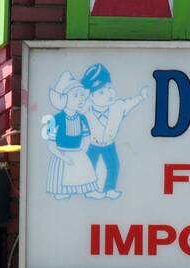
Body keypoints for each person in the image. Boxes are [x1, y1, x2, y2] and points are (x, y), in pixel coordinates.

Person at [80, 63, 149, 200]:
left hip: (109, 144)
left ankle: (110, 189)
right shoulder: (85, 112)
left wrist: (141, 96)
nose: (109, 93)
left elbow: (131, 102)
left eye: (109, 88)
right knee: (90, 166)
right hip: (92, 144)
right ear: (91, 97)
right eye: (101, 92)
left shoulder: (118, 107)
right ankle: (89, 189)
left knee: (113, 165)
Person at [43, 72, 97, 200]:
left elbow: (86, 138)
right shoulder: (55, 119)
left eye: (82, 96)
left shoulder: (82, 118)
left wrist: (81, 152)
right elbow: (51, 145)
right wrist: (64, 157)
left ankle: (88, 191)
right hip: (61, 154)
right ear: (63, 98)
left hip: (78, 152)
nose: (80, 99)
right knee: (62, 178)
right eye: (76, 95)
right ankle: (61, 191)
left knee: (84, 174)